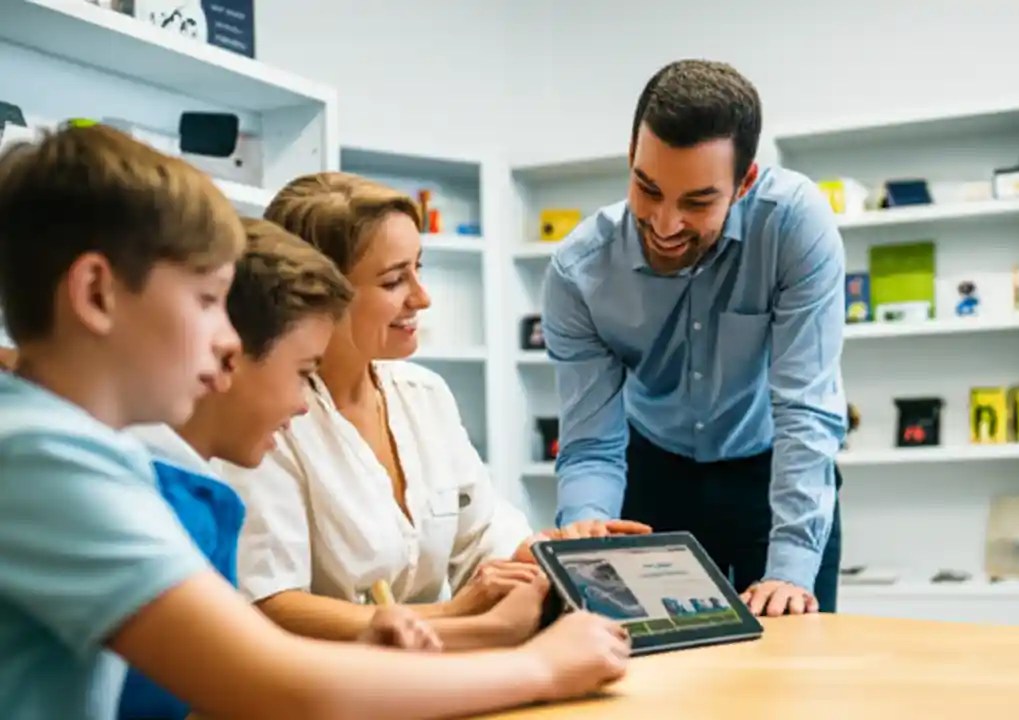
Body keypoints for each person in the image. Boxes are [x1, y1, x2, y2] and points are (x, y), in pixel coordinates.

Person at [0, 124, 628, 720]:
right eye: (208, 302)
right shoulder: (42, 464)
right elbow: (284, 686)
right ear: (97, 295)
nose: (229, 342)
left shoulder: (69, 452)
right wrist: (542, 665)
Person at [221, 172, 649, 647]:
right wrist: (450, 613)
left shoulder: (424, 394)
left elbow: (485, 537)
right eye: (393, 281)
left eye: (418, 269)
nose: (422, 298)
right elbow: (269, 603)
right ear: (319, 292)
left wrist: (559, 552)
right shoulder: (272, 419)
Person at [543, 59, 847, 617]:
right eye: (647, 187)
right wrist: (585, 528)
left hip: (772, 474)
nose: (663, 224)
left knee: (793, 682)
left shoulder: (793, 224)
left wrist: (788, 572)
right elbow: (590, 440)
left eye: (697, 202)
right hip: (652, 474)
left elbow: (807, 407)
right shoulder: (579, 272)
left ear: (745, 181)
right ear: (631, 157)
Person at [118, 217, 445, 720]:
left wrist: (363, 644)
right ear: (229, 356)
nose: (302, 405)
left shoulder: (199, 493)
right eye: (304, 374)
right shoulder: (148, 497)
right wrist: (541, 664)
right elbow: (271, 684)